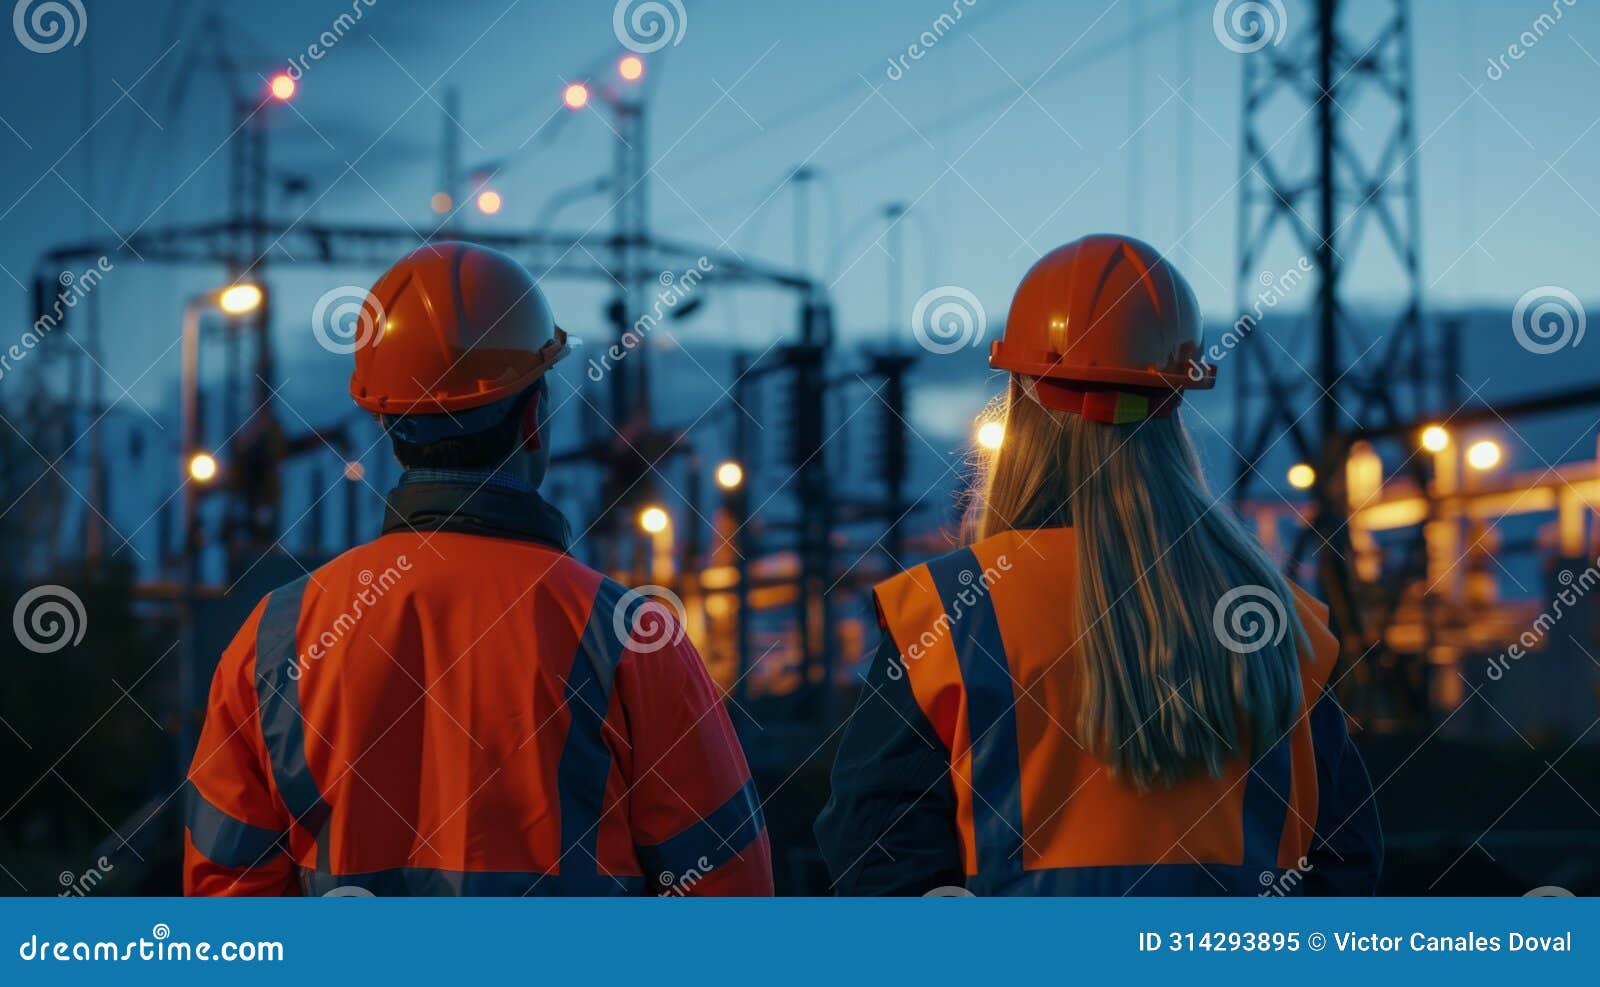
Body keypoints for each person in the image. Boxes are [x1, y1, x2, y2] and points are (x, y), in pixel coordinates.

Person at [184, 242, 772, 896]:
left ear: (387, 422)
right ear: (534, 420)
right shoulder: (631, 637)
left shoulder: (274, 639)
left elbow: (227, 906)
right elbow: (728, 890)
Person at [815, 234, 1382, 896]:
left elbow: (875, 852)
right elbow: (1346, 864)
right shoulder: (1283, 620)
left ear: (1021, 396)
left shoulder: (948, 613)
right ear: (1176, 399)